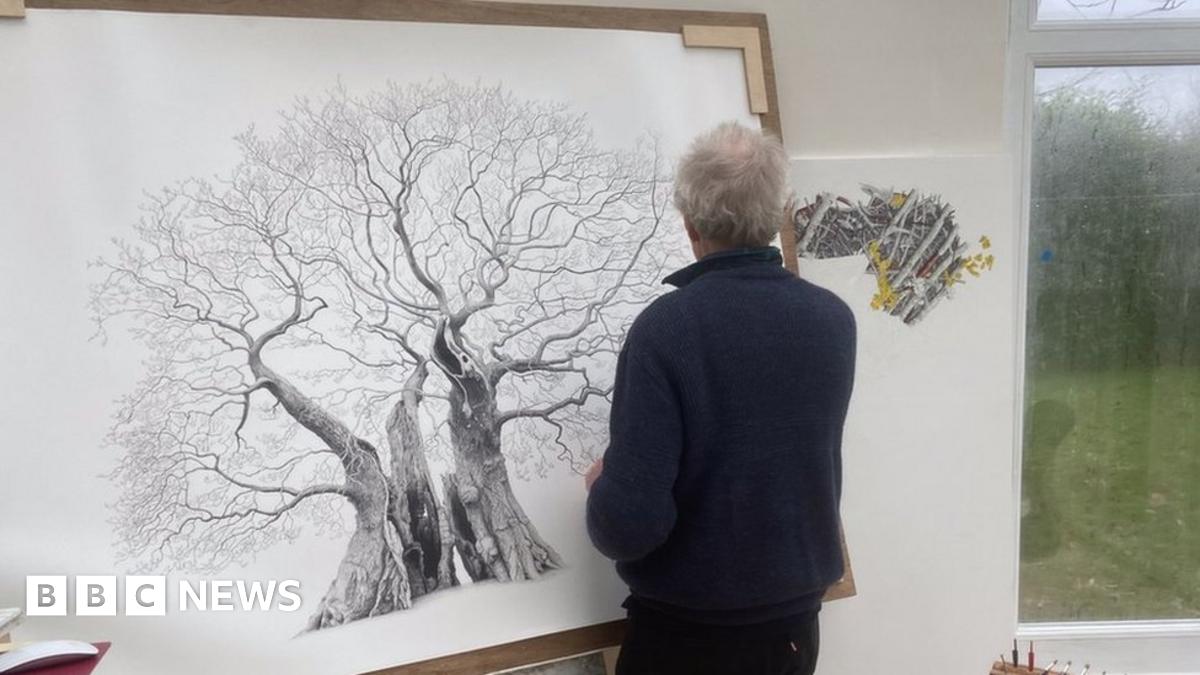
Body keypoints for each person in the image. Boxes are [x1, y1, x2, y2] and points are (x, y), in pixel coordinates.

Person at [584, 122, 857, 675]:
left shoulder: (666, 330)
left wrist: (602, 488)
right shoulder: (833, 320)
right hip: (794, 634)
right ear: (777, 212)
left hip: (688, 640)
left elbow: (629, 528)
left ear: (690, 225)